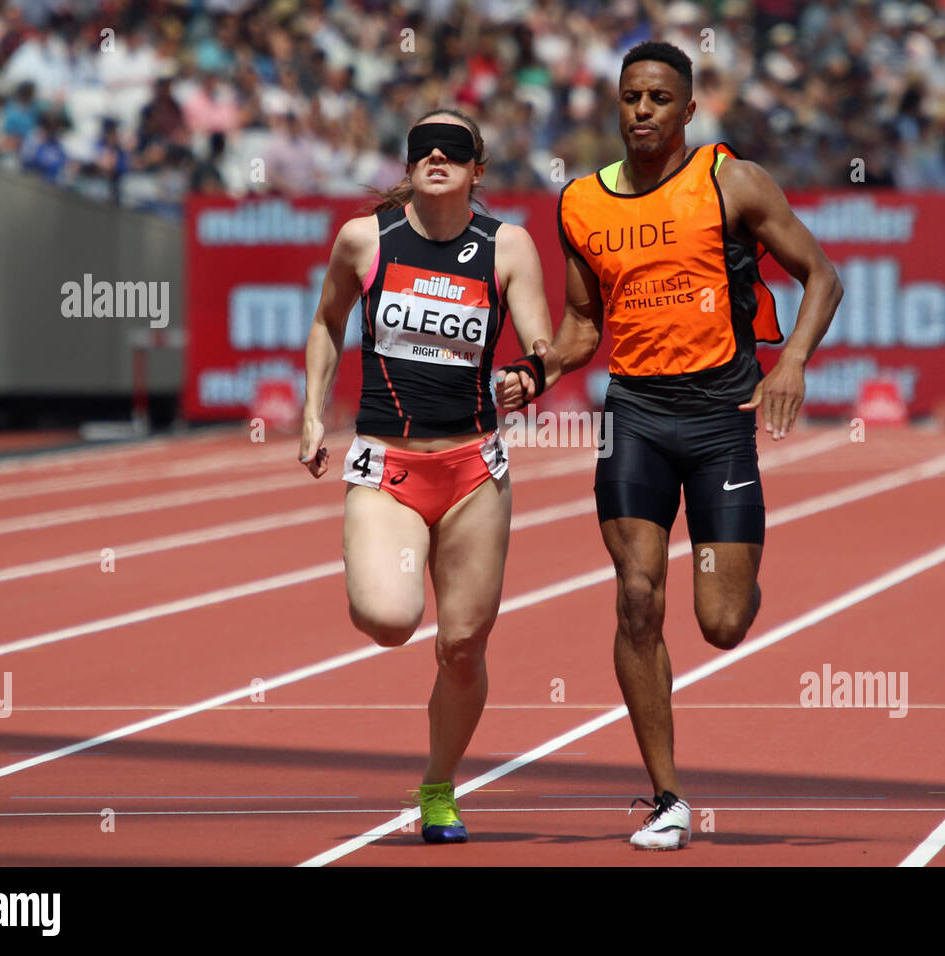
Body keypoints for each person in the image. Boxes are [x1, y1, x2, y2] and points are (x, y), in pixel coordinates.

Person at [553, 41, 842, 850]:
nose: (641, 110)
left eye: (657, 98)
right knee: (637, 598)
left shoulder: (731, 181)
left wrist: (791, 366)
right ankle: (667, 796)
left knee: (719, 622)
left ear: (687, 110)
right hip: (634, 415)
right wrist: (534, 369)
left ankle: (740, 575)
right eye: (629, 97)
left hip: (720, 420)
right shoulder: (580, 203)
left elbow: (822, 275)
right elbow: (582, 328)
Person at [298, 109, 560, 844]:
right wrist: (313, 414)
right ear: (409, 165)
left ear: (478, 169)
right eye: (422, 147)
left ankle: (439, 786)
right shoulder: (364, 239)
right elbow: (327, 322)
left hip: (475, 467)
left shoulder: (506, 246)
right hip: (389, 462)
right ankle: (368, 548)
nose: (436, 155)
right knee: (388, 620)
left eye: (454, 149)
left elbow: (541, 339)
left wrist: (528, 375)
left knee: (462, 647)